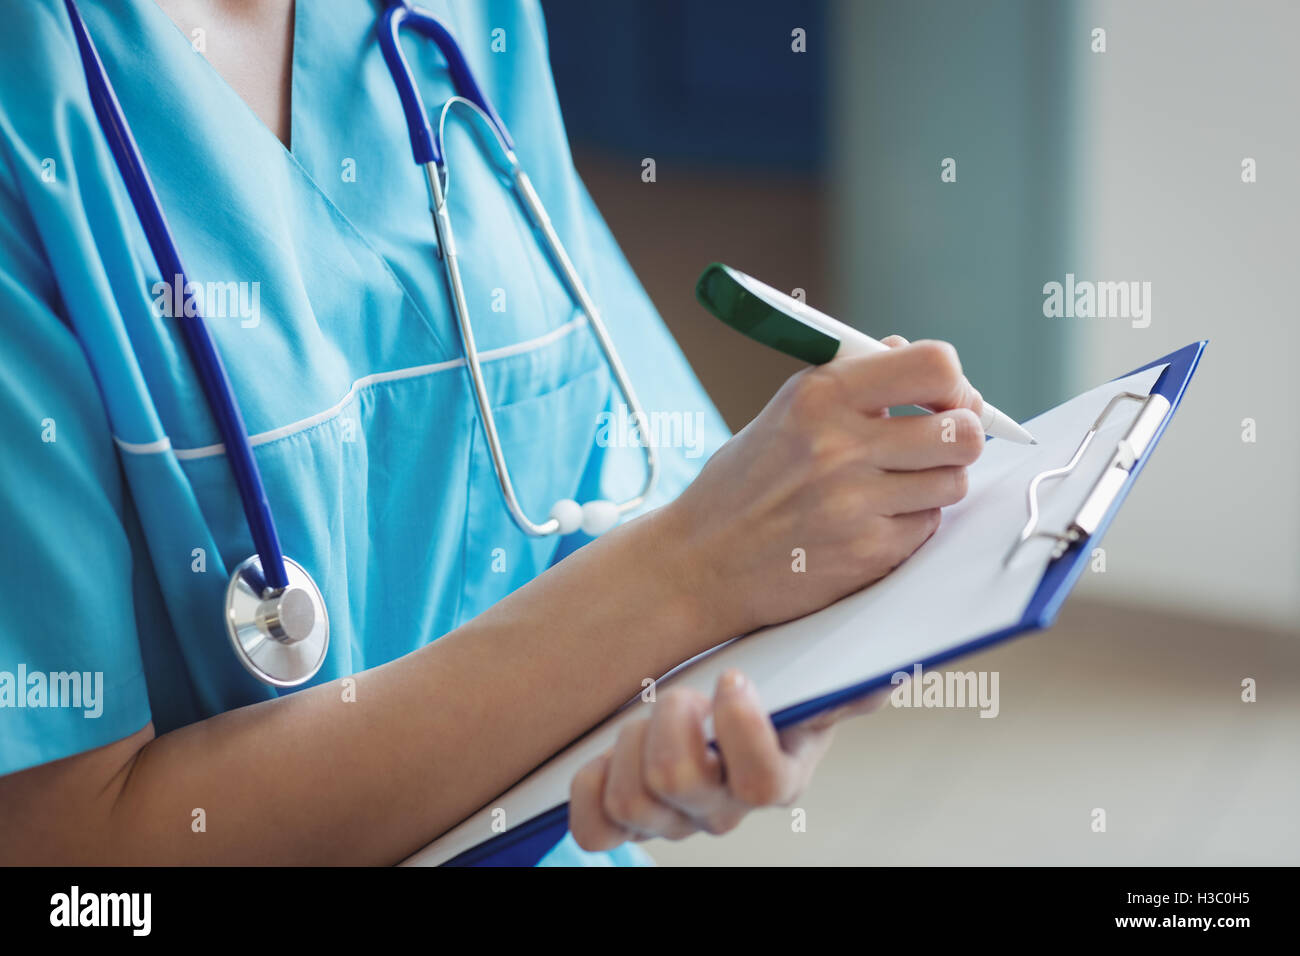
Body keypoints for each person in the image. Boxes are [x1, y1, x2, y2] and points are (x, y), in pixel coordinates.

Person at [0, 0, 985, 865]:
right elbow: (70, 853)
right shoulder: (29, 103)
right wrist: (687, 575)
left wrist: (737, 686)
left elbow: (625, 467)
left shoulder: (465, 21)